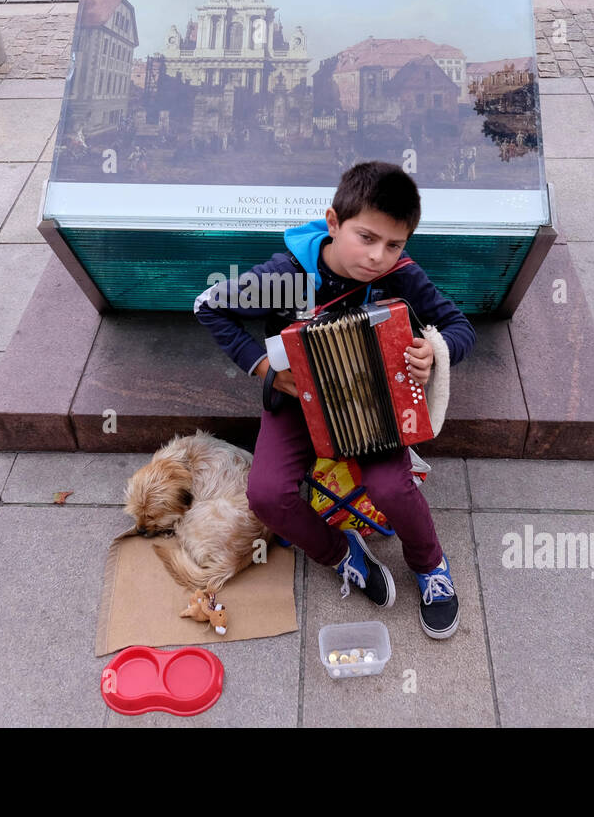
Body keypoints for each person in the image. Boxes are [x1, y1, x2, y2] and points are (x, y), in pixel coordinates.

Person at [193, 161, 477, 638]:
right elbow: (209, 306)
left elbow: (460, 328)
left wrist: (435, 350)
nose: (378, 257)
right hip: (301, 404)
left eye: (394, 244)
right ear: (332, 223)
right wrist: (264, 368)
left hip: (372, 409)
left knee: (391, 487)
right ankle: (345, 554)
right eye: (365, 238)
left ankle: (430, 564)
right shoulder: (288, 274)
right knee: (267, 495)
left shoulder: (403, 276)